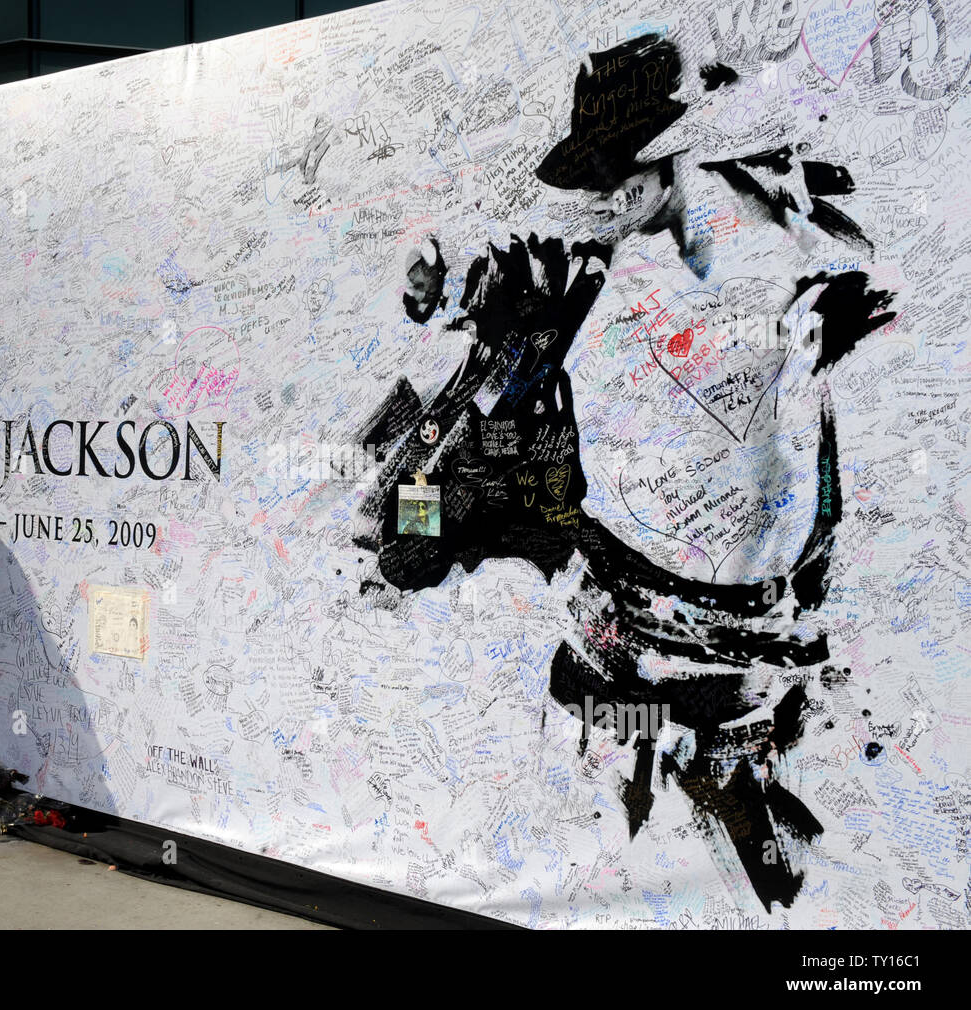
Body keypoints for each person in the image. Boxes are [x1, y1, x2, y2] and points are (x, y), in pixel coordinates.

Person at [353, 33, 896, 911]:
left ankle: (712, 785)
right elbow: (539, 273)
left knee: (632, 715)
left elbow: (851, 274)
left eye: (608, 179)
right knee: (463, 525)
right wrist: (451, 285)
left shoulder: (772, 227)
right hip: (627, 568)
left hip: (729, 609)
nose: (598, 201)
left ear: (654, 160)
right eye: (593, 185)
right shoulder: (627, 250)